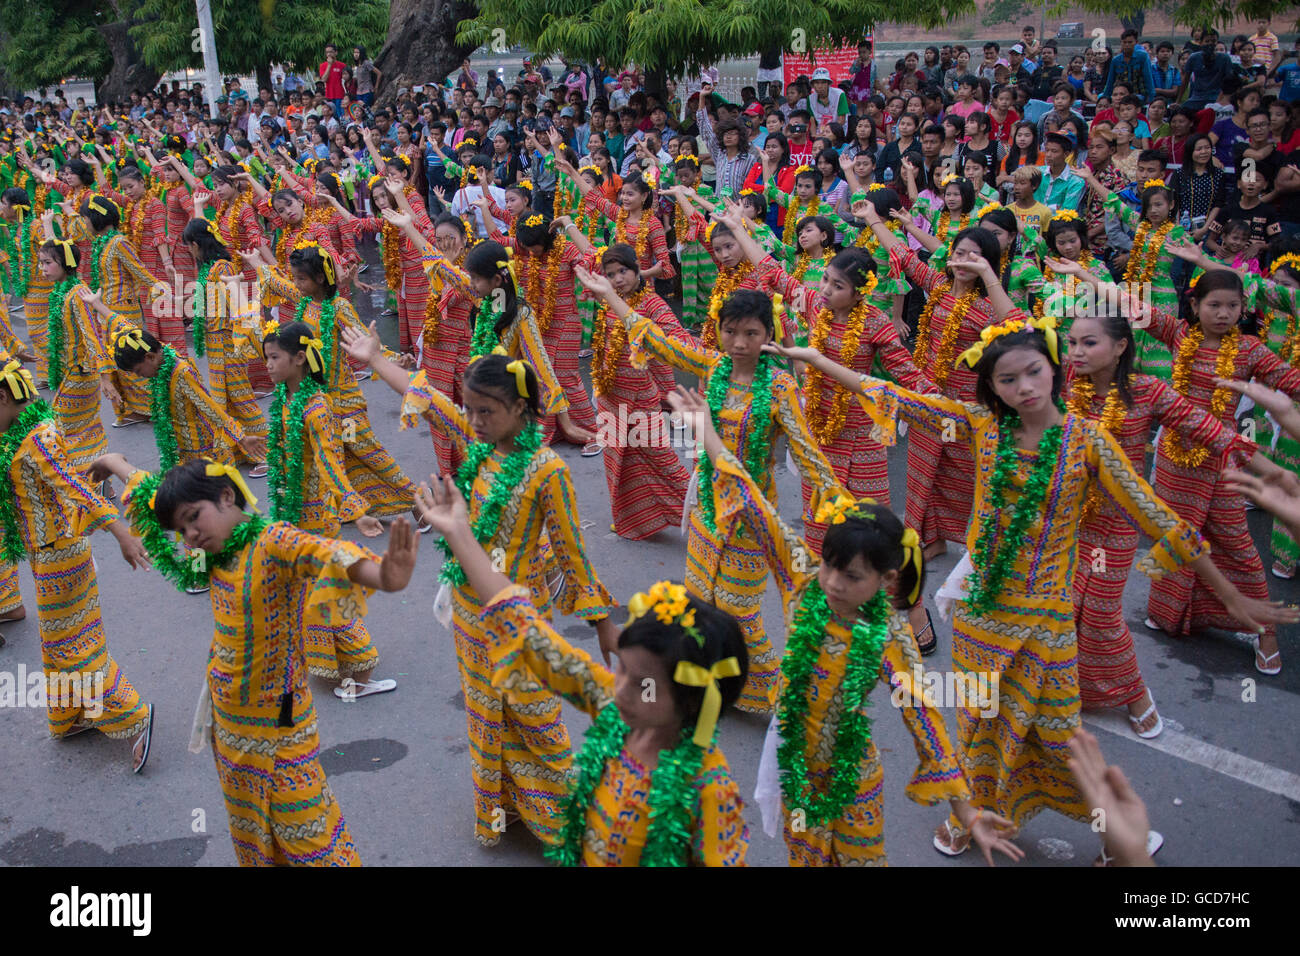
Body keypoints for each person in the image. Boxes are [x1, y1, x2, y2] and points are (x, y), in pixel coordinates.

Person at [807, 301, 1293, 860]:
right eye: (1006, 379)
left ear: (1055, 369)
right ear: (992, 387)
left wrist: (1233, 595)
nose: (1023, 387)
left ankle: (1114, 831)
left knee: (1062, 736)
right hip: (982, 620)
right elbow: (896, 396)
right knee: (977, 726)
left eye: (1033, 371)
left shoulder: (1087, 441)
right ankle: (970, 819)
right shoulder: (983, 425)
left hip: (1049, 623)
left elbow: (1160, 519)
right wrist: (816, 356)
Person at [673, 384, 1018, 867]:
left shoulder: (890, 638)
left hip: (851, 779)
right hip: (793, 765)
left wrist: (966, 810)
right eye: (828, 565)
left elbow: (926, 723)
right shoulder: (800, 579)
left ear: (886, 579)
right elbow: (751, 500)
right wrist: (706, 430)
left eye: (852, 576)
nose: (833, 583)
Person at [102, 453, 417, 863]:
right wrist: (112, 461)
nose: (190, 535)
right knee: (251, 826)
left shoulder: (272, 542)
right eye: (181, 529)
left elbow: (324, 552)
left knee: (309, 833)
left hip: (281, 724)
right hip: (228, 723)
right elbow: (150, 490)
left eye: (194, 517)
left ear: (227, 496)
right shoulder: (213, 548)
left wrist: (386, 576)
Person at [577, 268, 839, 713]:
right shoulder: (715, 367)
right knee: (700, 606)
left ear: (768, 335)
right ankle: (705, 687)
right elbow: (658, 339)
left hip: (751, 519)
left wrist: (838, 506)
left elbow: (809, 453)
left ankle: (782, 701)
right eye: (730, 331)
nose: (739, 343)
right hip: (705, 512)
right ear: (718, 331)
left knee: (740, 617)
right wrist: (611, 299)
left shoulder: (779, 388)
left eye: (751, 333)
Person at [1061, 259, 1300, 675]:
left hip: (1226, 461)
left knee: (1239, 549)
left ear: (1243, 308)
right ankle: (1176, 616)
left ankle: (1266, 632)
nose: (1223, 314)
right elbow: (1135, 308)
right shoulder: (1179, 334)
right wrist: (1090, 280)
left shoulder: (1250, 349)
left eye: (1232, 306)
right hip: (1175, 459)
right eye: (1214, 305)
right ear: (1195, 307)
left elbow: (1289, 381)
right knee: (1177, 542)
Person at [1059, 305, 1270, 736]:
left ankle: (1136, 695)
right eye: (1072, 342)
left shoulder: (1147, 391)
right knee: (1063, 610)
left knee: (1100, 616)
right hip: (1063, 520)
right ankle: (1070, 687)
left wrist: (1272, 473)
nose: (1076, 352)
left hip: (1116, 524)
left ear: (1120, 347)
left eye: (1089, 342)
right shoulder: (1063, 384)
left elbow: (1207, 428)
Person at [0, 361, 154, 773]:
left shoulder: (37, 439)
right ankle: (73, 715)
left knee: (72, 646)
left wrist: (122, 533)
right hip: (48, 552)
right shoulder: (26, 428)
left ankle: (135, 716)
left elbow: (76, 489)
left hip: (59, 554)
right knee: (61, 642)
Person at [248, 239, 416, 527]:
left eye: (302, 278)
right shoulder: (303, 303)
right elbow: (276, 283)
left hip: (345, 402)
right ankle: (352, 507)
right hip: (319, 400)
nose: (297, 283)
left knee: (367, 451)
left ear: (320, 278)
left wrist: (391, 359)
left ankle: (419, 502)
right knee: (335, 456)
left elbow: (363, 338)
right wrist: (256, 263)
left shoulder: (338, 308)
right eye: (296, 277)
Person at [319, 44, 346, 118]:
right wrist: (329, 65)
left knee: (341, 116)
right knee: (330, 116)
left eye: (331, 52)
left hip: (340, 95)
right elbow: (324, 79)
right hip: (329, 95)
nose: (329, 54)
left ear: (336, 53)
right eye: (327, 52)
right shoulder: (323, 65)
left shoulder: (342, 65)